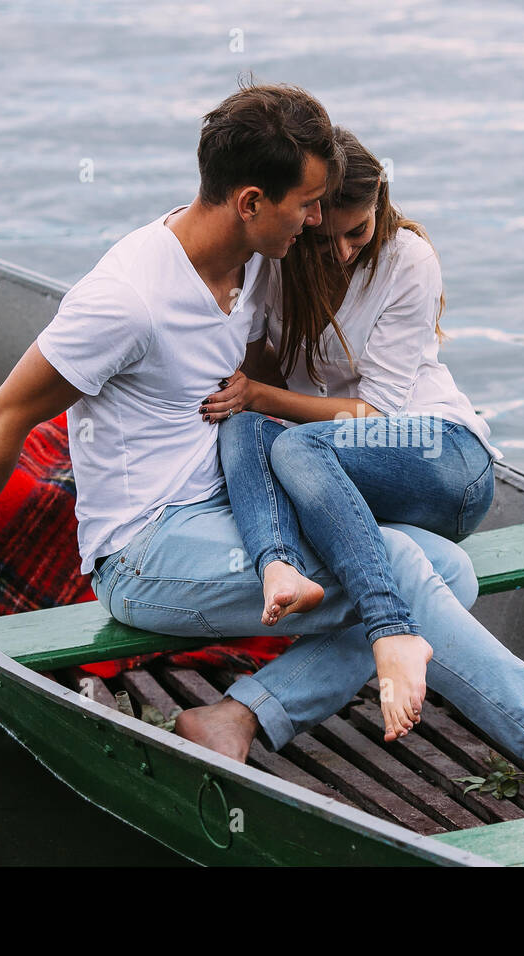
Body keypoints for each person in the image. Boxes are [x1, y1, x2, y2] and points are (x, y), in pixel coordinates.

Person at [0, 81, 524, 804]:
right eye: (308, 206)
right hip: (146, 549)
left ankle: (240, 713)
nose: (321, 223)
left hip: (235, 517)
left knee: (453, 569)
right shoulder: (128, 298)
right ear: (251, 201)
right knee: (396, 572)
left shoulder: (251, 263)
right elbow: (4, 414)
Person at [203, 126, 502, 740]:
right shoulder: (278, 260)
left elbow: (379, 416)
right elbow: (247, 368)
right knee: (246, 429)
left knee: (287, 438)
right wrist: (240, 393)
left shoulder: (407, 261)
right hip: (340, 472)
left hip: (441, 456)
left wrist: (260, 396)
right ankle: (279, 578)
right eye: (323, 236)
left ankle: (389, 628)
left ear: (381, 207)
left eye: (356, 232)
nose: (340, 252)